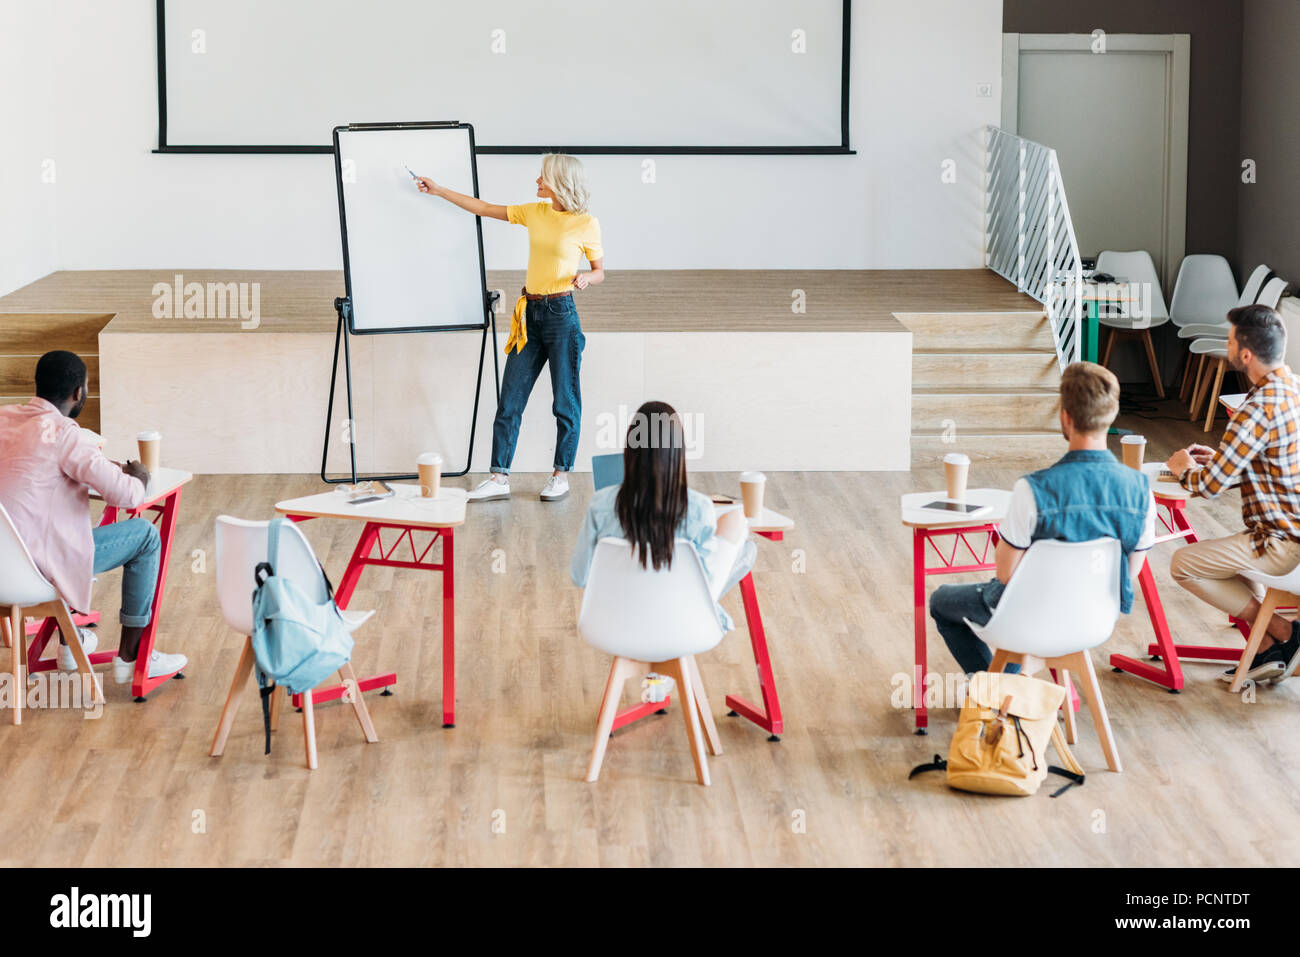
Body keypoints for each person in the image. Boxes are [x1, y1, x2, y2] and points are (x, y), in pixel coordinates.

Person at [930, 362, 1156, 675]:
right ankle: (1008, 691)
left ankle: (998, 690)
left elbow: (1007, 573)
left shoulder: (1033, 489)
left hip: (1028, 619)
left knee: (941, 601)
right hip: (1093, 623)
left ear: (1066, 416)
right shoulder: (1142, 491)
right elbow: (1130, 572)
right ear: (1112, 415)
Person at [415, 153, 604, 503]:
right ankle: (499, 477)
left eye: (542, 178)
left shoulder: (586, 223)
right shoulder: (535, 212)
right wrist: (439, 190)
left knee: (565, 400)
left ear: (559, 182)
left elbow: (600, 271)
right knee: (510, 400)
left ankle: (561, 474)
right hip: (529, 313)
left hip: (562, 315)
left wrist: (586, 278)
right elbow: (484, 208)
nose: (537, 182)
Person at [0, 351, 187, 681]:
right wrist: (140, 474)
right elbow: (129, 496)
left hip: (5, 571)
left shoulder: (4, 418)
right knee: (144, 535)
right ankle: (132, 658)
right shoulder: (64, 433)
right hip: (37, 572)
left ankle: (70, 644)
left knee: (54, 520)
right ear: (78, 393)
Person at [1167, 304, 1300, 681]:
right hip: (1293, 529)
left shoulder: (1254, 408)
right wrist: (1228, 459)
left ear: (1245, 354)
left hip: (1276, 544)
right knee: (1224, 566)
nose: (1226, 345)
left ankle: (1283, 633)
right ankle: (1264, 648)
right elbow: (1278, 464)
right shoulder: (1292, 388)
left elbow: (1209, 487)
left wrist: (1183, 469)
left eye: (1228, 340)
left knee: (1184, 564)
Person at [571, 401, 754, 633]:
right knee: (746, 546)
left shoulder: (601, 505)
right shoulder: (699, 508)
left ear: (630, 449)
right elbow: (706, 583)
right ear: (678, 452)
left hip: (615, 627)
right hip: (682, 627)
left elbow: (580, 576)